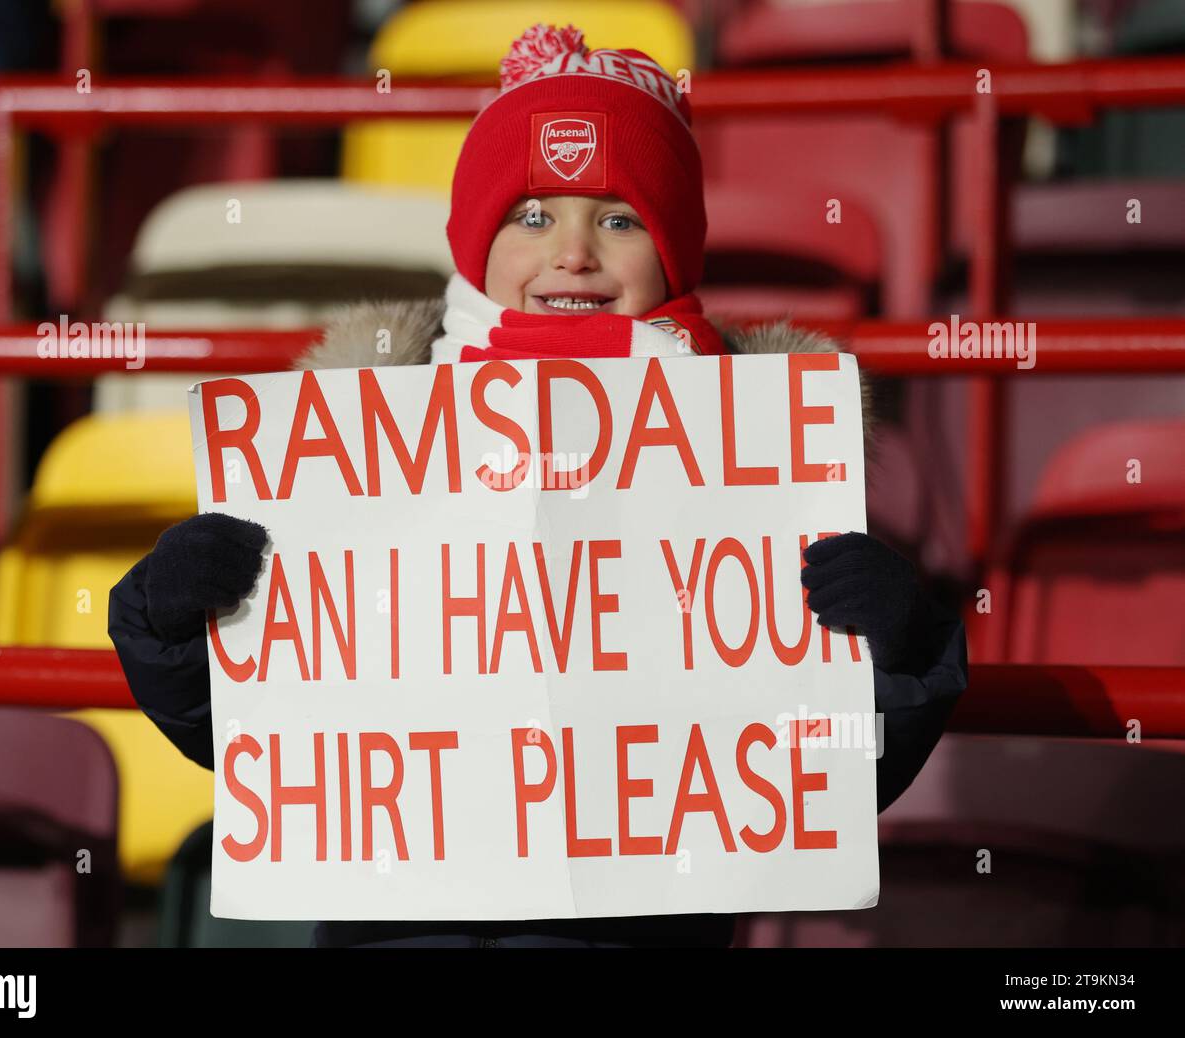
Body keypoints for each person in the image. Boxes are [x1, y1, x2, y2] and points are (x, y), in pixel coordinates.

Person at [109, 23, 968, 949]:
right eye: (532, 216)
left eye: (620, 218)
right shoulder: (359, 436)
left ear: (676, 249)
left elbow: (824, 778)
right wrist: (176, 622)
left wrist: (898, 653)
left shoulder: (764, 458)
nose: (573, 254)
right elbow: (268, 747)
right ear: (474, 242)